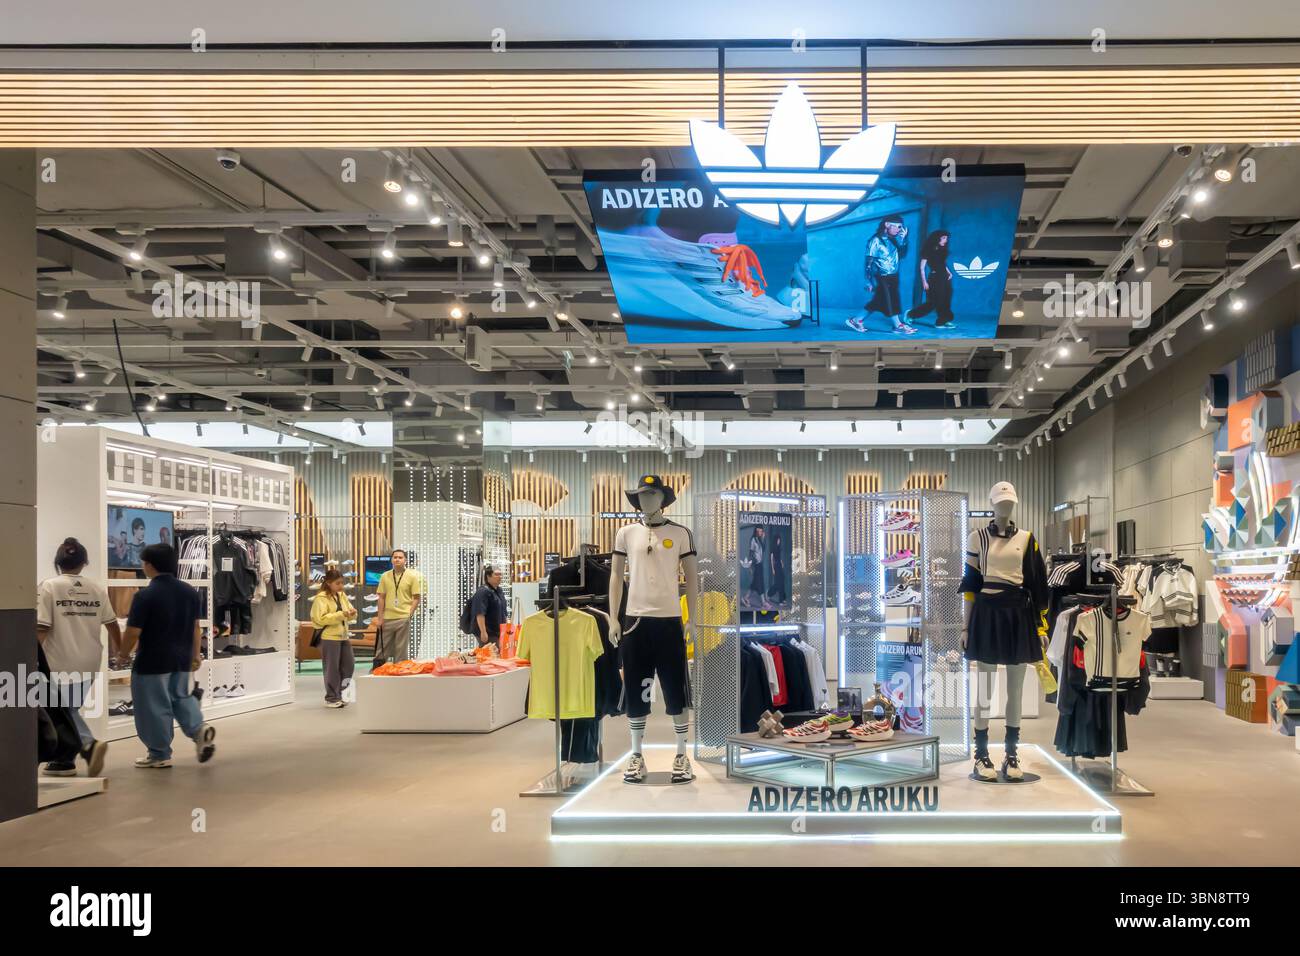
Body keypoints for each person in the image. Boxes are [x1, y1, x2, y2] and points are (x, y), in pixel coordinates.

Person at [119, 543, 216, 768]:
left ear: (149, 565)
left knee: (153, 706)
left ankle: (159, 753)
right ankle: (199, 730)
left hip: (152, 660)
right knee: (181, 697)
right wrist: (196, 654)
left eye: (144, 562)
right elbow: (196, 627)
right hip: (181, 658)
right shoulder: (189, 592)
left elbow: (133, 631)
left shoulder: (145, 596)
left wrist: (123, 654)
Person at [36, 537, 119, 777]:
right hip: (90, 661)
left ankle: (88, 744)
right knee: (68, 708)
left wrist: (30, 656)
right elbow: (112, 624)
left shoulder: (48, 586)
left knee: (60, 711)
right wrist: (121, 651)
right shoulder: (96, 588)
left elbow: (41, 628)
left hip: (58, 661)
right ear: (84, 562)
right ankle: (65, 761)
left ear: (58, 562)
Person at [847, 214, 914, 335]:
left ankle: (856, 320)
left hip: (894, 276)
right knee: (889, 301)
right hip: (881, 277)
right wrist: (869, 281)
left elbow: (902, 256)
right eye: (897, 227)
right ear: (887, 224)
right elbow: (868, 262)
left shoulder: (893, 240)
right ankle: (898, 325)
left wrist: (904, 240)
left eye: (901, 227)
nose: (900, 230)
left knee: (879, 301)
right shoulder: (875, 240)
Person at [312, 568, 357, 708]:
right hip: (329, 637)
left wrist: (352, 613)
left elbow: (349, 613)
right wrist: (341, 615)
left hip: (343, 636)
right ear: (329, 583)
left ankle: (342, 694)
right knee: (331, 668)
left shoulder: (341, 595)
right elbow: (319, 619)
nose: (341, 586)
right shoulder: (321, 598)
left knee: (349, 666)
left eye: (342, 583)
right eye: (338, 583)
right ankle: (332, 698)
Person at [374, 548, 421, 666]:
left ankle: (399, 672)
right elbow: (381, 598)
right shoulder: (385, 576)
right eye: (395, 557)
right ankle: (378, 671)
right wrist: (380, 618)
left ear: (405, 560)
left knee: (401, 649)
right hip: (387, 618)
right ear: (391, 560)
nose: (397, 559)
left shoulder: (412, 576)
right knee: (382, 648)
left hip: (403, 618)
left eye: (400, 557)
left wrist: (409, 614)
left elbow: (416, 597)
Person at [907, 229, 955, 328]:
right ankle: (910, 314)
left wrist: (949, 272)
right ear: (937, 238)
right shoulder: (928, 250)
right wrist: (924, 282)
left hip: (945, 278)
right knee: (934, 302)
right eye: (943, 238)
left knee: (946, 299)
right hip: (934, 278)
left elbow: (942, 263)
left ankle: (943, 320)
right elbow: (922, 268)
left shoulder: (942, 250)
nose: (946, 240)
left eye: (946, 238)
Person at [470, 565, 507, 648]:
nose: (500, 577)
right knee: (489, 655)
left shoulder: (499, 591)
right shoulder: (483, 591)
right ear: (488, 576)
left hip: (498, 632)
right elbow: (480, 613)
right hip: (489, 633)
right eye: (496, 574)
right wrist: (483, 632)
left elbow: (503, 611)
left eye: (500, 574)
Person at [742, 526, 770, 610]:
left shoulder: (759, 539)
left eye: (761, 531)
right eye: (758, 531)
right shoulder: (753, 540)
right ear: (755, 531)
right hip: (755, 564)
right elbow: (750, 553)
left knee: (755, 583)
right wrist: (750, 567)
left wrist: (764, 538)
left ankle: (745, 598)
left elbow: (763, 550)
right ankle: (763, 602)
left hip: (760, 564)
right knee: (760, 583)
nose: (759, 533)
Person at [767, 531, 788, 608]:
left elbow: (779, 557)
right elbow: (771, 558)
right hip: (776, 566)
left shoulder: (779, 547)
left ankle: (772, 595)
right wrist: (773, 568)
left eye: (780, 540)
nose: (779, 541)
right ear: (776, 540)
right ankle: (780, 601)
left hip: (779, 564)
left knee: (781, 581)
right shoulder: (773, 547)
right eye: (778, 540)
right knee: (778, 583)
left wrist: (782, 562)